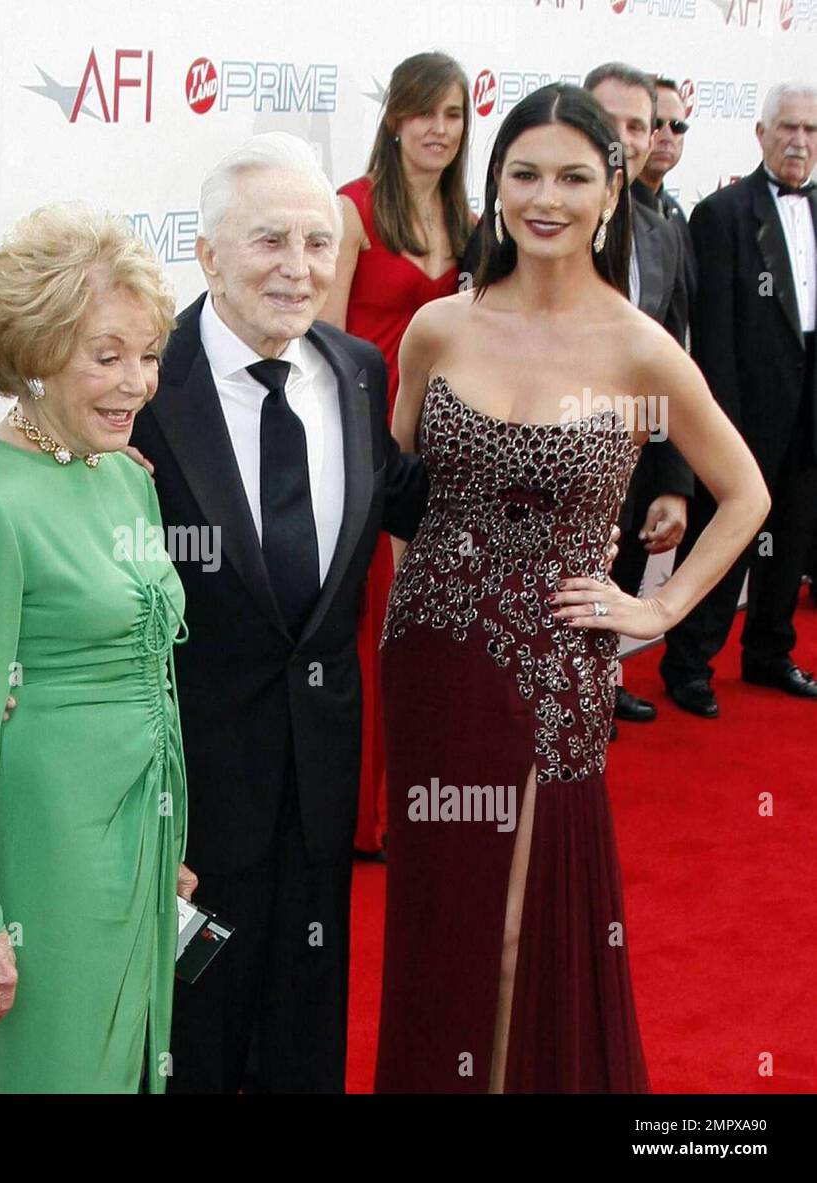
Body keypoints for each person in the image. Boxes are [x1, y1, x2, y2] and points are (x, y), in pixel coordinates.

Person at [376, 83, 769, 1092]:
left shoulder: (637, 345)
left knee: (519, 932)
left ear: (609, 196)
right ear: (494, 187)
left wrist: (659, 609)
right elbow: (392, 487)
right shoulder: (436, 328)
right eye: (523, 174)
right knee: (440, 925)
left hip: (553, 669)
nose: (544, 197)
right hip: (430, 662)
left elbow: (745, 494)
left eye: (572, 177)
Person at [129, 132, 432, 1093]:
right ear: (208, 252)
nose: (298, 269)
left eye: (317, 243)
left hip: (320, 767)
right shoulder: (140, 385)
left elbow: (398, 498)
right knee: (193, 1024)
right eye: (269, 242)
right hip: (188, 787)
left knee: (307, 1014)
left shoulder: (354, 372)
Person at [0, 204, 186, 1093]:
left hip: (141, 825)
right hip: (52, 843)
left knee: (136, 1065)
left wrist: (169, 830)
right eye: (105, 356)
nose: (136, 382)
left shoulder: (125, 476)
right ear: (36, 354)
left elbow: (155, 667)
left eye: (147, 354)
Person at [322, 50, 474, 853]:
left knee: (427, 627)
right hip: (365, 443)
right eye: (425, 113)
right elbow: (324, 345)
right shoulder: (351, 212)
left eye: (453, 116)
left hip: (443, 450)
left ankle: (423, 797)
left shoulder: (474, 227)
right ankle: (362, 813)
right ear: (394, 117)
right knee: (371, 623)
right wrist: (354, 446)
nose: (439, 131)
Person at [660, 81, 817, 716]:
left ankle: (769, 651)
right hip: (744, 410)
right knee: (725, 536)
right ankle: (689, 663)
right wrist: (718, 426)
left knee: (794, 530)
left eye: (810, 131)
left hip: (809, 407)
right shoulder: (722, 214)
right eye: (787, 128)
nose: (799, 141)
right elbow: (714, 337)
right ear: (760, 134)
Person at [585, 63, 694, 730]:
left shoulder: (662, 234)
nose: (627, 137)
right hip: (538, 463)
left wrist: (673, 479)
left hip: (629, 454)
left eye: (641, 125)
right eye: (611, 122)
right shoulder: (526, 223)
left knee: (617, 586)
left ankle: (601, 681)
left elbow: (673, 360)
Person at [636, 76, 696, 310]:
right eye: (656, 124)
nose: (667, 135)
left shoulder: (675, 213)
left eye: (677, 126)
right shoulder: (611, 215)